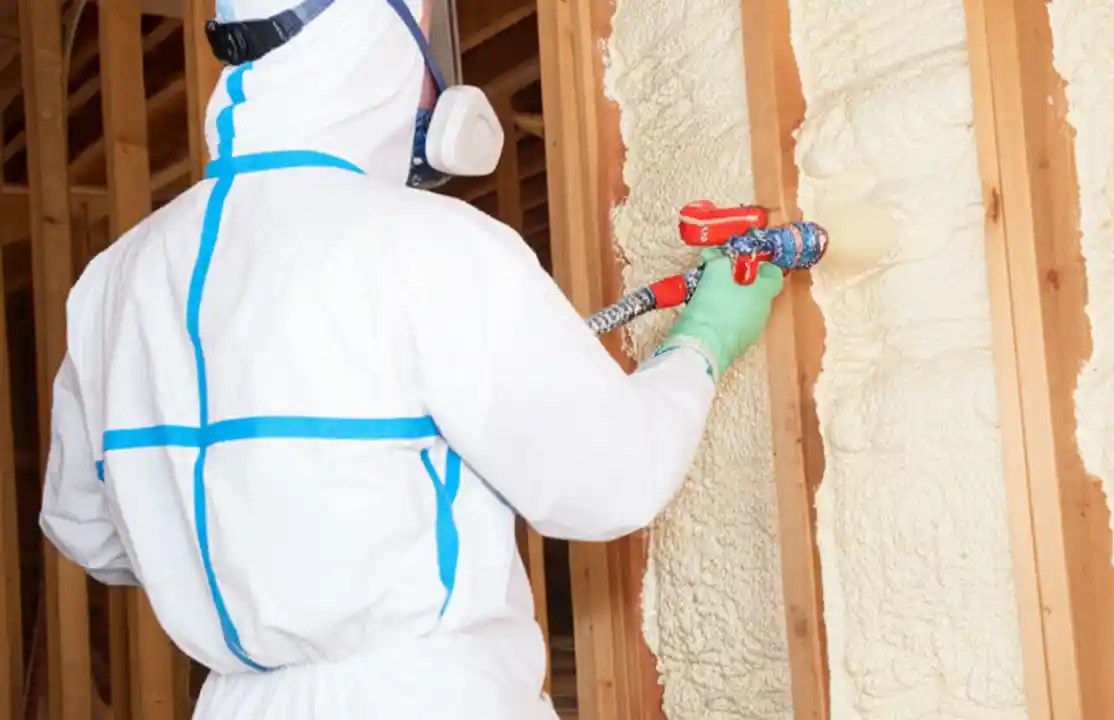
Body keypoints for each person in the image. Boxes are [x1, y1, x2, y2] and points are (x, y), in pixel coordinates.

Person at [37, 0, 783, 716]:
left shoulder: (111, 283)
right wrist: (703, 341)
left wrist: (235, 534)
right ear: (379, 39)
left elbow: (85, 530)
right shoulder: (427, 245)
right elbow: (612, 478)